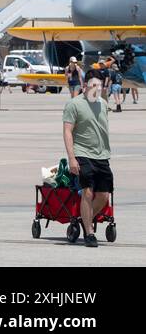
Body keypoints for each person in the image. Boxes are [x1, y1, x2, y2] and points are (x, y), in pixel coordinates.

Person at [63, 74, 112, 248]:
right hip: (82, 154)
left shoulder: (103, 104)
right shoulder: (74, 104)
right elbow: (68, 131)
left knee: (104, 195)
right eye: (93, 86)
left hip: (102, 155)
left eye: (98, 86)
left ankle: (84, 220)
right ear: (85, 85)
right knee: (88, 192)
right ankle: (89, 233)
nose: (96, 89)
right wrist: (72, 158)